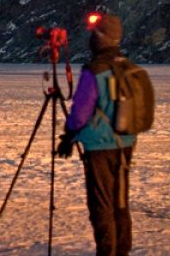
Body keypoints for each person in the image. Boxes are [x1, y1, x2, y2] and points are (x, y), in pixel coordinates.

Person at [56, 13, 137, 256]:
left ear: (102, 37)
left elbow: (81, 112)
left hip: (100, 147)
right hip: (125, 142)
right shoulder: (128, 66)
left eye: (95, 33)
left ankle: (107, 251)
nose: (91, 38)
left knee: (101, 205)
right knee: (119, 203)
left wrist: (69, 136)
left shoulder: (96, 70)